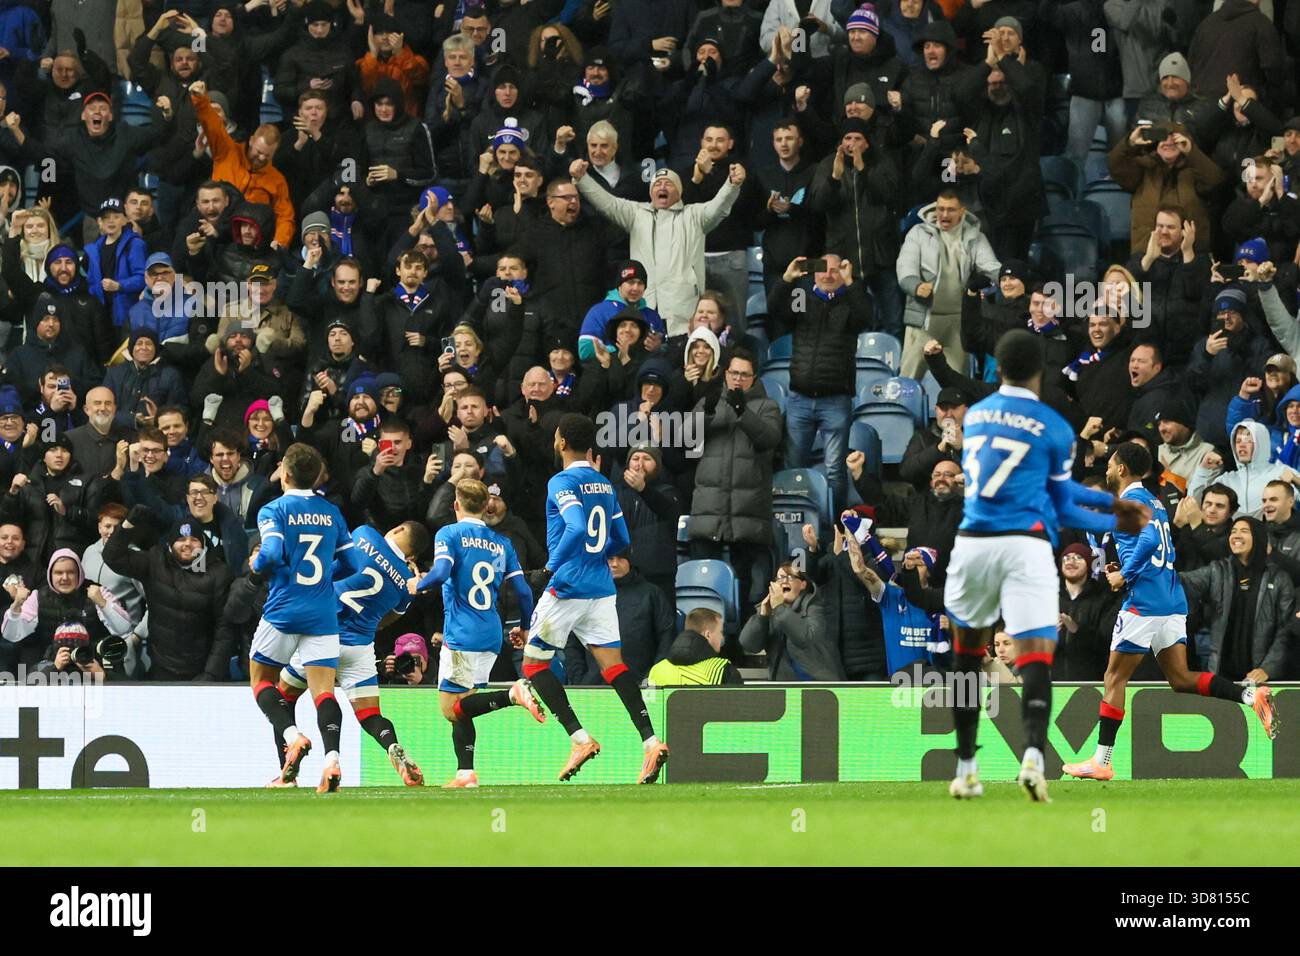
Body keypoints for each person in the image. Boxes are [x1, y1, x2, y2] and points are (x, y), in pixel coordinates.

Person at [943, 329, 1148, 802]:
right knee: (1036, 653)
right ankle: (1034, 758)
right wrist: (1114, 512)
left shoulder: (975, 418)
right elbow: (1058, 505)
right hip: (1027, 544)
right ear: (1041, 371)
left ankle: (966, 768)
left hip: (974, 541)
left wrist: (1104, 504)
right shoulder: (1055, 427)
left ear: (997, 367)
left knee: (966, 656)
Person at [1063, 443, 1277, 780]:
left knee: (1114, 677)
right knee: (1180, 678)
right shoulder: (1155, 502)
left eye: (1111, 464)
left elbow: (1147, 541)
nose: (1106, 469)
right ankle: (1250, 695)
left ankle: (1101, 762)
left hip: (1144, 602)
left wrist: (1124, 575)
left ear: (1121, 469)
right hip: (1171, 599)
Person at [520, 413, 669, 784]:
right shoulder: (604, 484)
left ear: (560, 442)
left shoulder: (561, 481)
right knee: (614, 667)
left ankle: (579, 738)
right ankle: (650, 741)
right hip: (602, 588)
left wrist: (549, 570)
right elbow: (620, 539)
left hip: (568, 585)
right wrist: (598, 554)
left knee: (534, 667)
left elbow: (573, 526)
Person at [275, 520, 430, 788]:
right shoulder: (406, 586)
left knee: (284, 697)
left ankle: (293, 772)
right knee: (370, 715)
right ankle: (393, 746)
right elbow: (388, 618)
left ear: (398, 529)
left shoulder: (365, 535)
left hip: (324, 635)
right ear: (412, 556)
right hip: (360, 645)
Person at [410, 478, 542, 788]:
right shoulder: (502, 543)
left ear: (456, 505)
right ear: (486, 507)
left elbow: (441, 573)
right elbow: (523, 592)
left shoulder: (449, 533)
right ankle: (465, 773)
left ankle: (513, 694)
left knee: (450, 709)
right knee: (465, 701)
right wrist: (524, 626)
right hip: (491, 632)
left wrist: (419, 585)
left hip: (461, 633)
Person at [247, 443, 355, 794]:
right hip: (323, 612)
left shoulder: (273, 509)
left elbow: (272, 552)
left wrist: (256, 569)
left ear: (285, 474)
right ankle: (332, 761)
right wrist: (323, 576)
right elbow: (353, 565)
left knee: (262, 681)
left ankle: (294, 738)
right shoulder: (332, 512)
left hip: (284, 609)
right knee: (323, 691)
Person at [1179, 515, 1295, 688]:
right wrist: (1152, 573)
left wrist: (1267, 669)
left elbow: (1286, 630)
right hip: (1221, 675)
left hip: (1260, 677)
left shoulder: (1279, 579)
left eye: (1244, 531)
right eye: (1233, 531)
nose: (1236, 535)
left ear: (1258, 537)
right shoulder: (1218, 571)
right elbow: (1184, 582)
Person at [648, 607, 744, 687]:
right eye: (720, 632)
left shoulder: (657, 670)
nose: (722, 637)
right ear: (708, 635)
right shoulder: (722, 670)